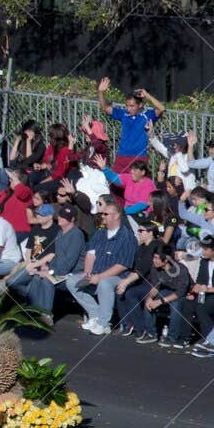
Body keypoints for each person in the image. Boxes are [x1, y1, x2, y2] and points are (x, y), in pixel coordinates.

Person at [65, 200, 138, 334]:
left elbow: (123, 265)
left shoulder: (127, 237)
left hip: (118, 277)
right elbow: (90, 254)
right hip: (96, 273)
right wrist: (87, 271)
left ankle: (104, 324)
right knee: (71, 281)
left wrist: (100, 277)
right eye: (102, 214)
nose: (102, 216)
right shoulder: (100, 233)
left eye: (106, 214)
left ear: (116, 216)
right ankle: (95, 315)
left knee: (105, 283)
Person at [98, 77, 164, 173]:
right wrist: (101, 92)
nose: (129, 108)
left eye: (132, 106)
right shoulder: (124, 114)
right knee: (115, 181)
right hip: (121, 156)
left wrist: (147, 95)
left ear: (140, 105)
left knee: (138, 182)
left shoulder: (147, 115)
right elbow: (105, 107)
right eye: (127, 106)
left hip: (139, 157)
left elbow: (161, 108)